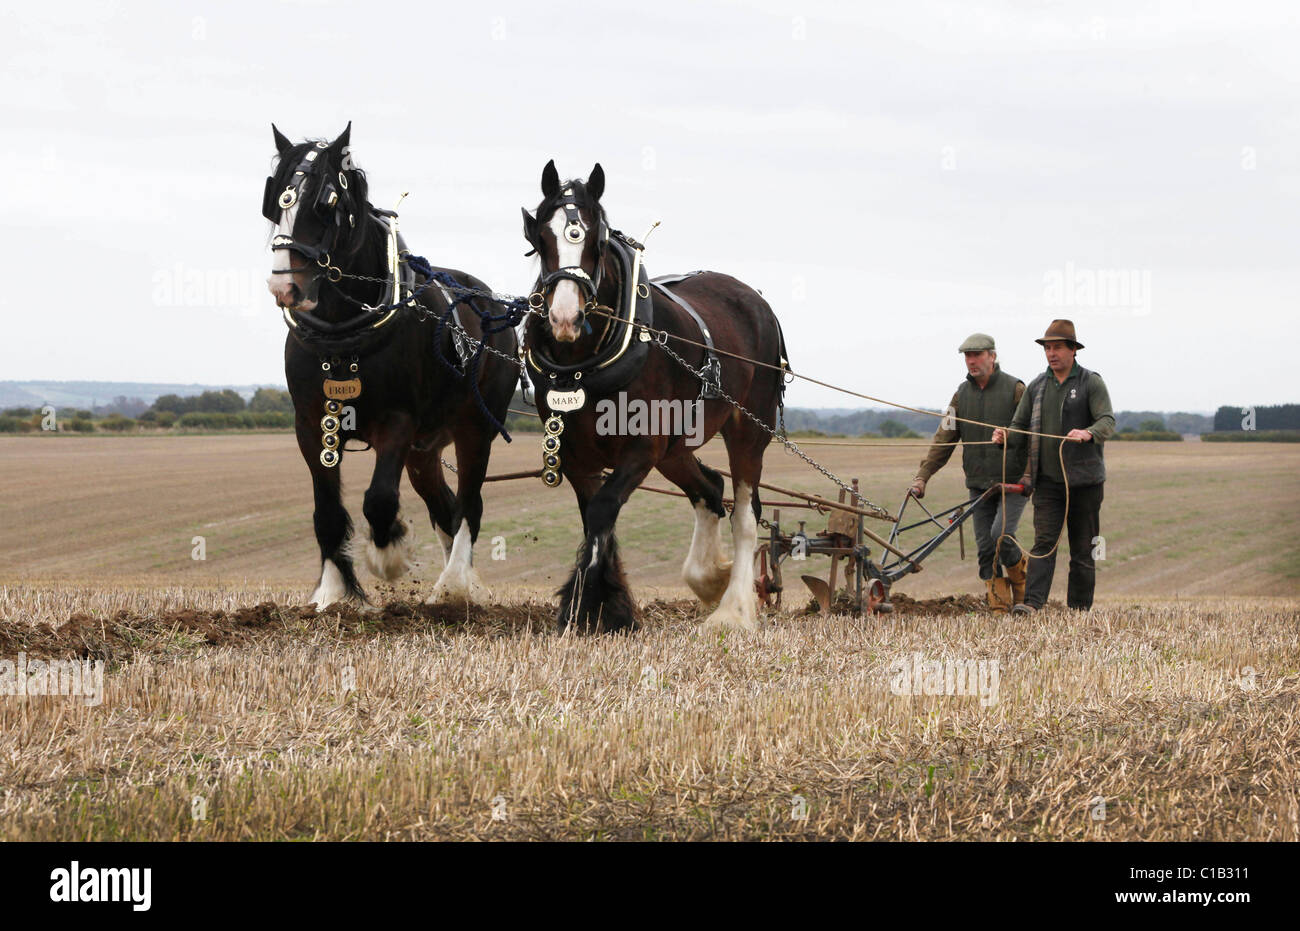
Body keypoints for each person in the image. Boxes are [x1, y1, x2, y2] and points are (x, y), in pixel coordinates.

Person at [992, 320, 1114, 613]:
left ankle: (1079, 610)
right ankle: (1032, 605)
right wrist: (1005, 436)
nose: (1051, 353)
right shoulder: (1037, 385)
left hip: (1085, 483)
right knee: (1043, 545)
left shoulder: (1090, 382)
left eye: (1057, 347)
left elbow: (1107, 421)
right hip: (1047, 482)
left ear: (1073, 349)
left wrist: (1089, 433)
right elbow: (1019, 426)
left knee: (1084, 549)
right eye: (1047, 348)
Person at [910, 333, 1028, 610]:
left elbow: (1031, 433)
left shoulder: (1016, 389)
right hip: (979, 484)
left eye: (977, 355)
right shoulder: (961, 395)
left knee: (1001, 536)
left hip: (1012, 483)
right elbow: (944, 438)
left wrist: (1012, 439)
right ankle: (998, 609)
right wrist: (922, 477)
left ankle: (1023, 588)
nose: (971, 361)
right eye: (967, 356)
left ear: (992, 356)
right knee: (986, 549)